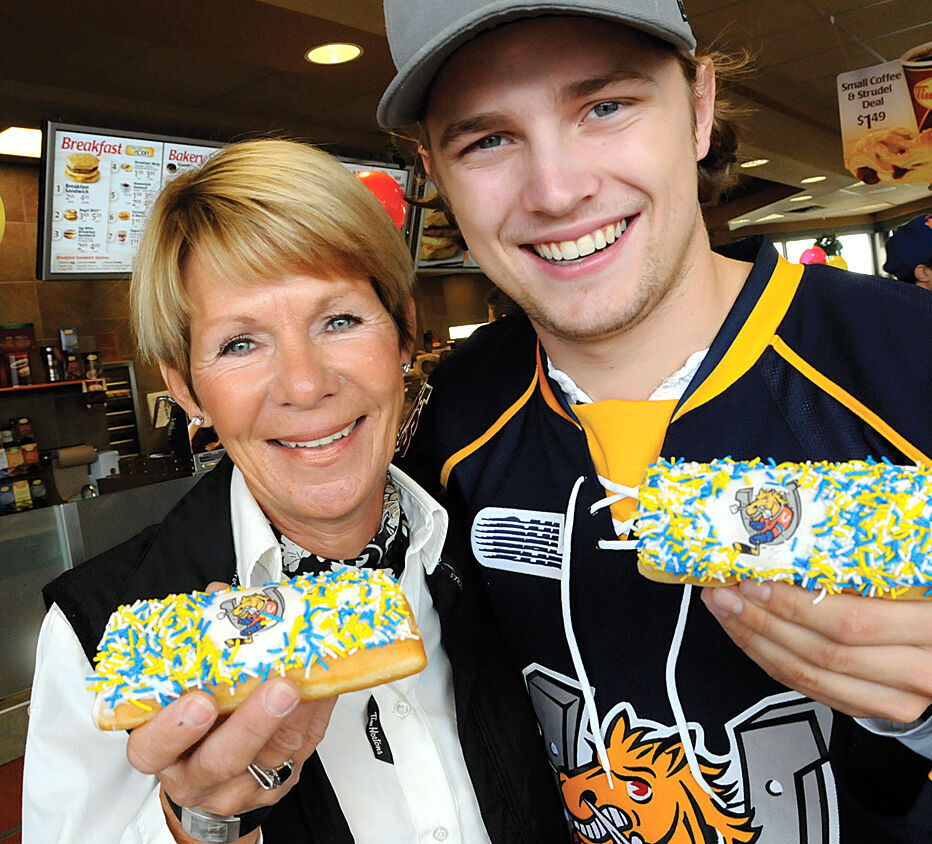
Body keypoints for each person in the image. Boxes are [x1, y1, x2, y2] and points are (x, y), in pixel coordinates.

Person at [380, 1, 932, 840]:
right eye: (486, 139)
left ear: (700, 108)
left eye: (605, 107)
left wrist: (931, 723)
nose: (558, 190)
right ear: (435, 173)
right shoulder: (442, 425)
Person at [22, 139, 564, 843]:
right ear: (187, 388)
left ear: (402, 332)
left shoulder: (499, 543)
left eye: (339, 320)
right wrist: (199, 827)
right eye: (241, 344)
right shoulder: (102, 635)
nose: (306, 385)